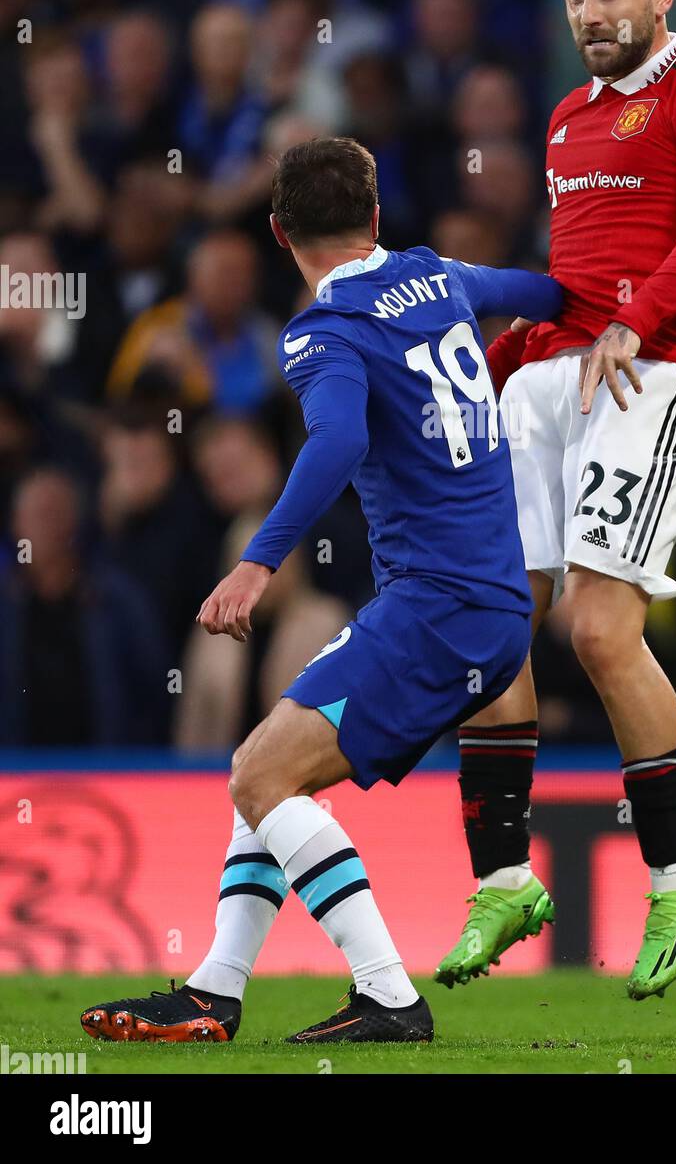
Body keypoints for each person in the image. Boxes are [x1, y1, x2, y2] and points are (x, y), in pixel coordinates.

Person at [79, 136, 561, 1045]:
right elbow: (541, 293)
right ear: (376, 218)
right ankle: (215, 993)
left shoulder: (322, 333)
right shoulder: (436, 276)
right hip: (485, 606)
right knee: (268, 774)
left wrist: (256, 561)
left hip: (439, 607)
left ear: (277, 233)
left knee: (258, 773)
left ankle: (388, 997)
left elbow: (335, 443)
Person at [435, 0, 676, 1001]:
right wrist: (493, 358)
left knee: (594, 623)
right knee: (489, 621)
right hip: (551, 381)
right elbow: (572, 276)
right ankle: (502, 880)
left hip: (650, 372)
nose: (592, 15)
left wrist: (635, 320)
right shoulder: (567, 117)